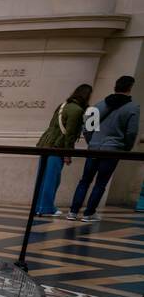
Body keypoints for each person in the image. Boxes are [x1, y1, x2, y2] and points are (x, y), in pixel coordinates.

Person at [69, 76, 138, 222]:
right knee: (101, 183)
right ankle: (88, 213)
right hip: (113, 149)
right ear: (130, 88)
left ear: (115, 87)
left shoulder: (98, 105)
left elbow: (87, 128)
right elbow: (131, 132)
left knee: (85, 181)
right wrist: (126, 147)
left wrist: (92, 142)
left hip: (94, 148)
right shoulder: (133, 108)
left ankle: (73, 211)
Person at [32, 83, 93, 217]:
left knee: (42, 178)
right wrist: (68, 154)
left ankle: (38, 206)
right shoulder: (76, 110)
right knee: (52, 178)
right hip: (57, 146)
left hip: (46, 144)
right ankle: (46, 207)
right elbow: (70, 135)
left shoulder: (63, 105)